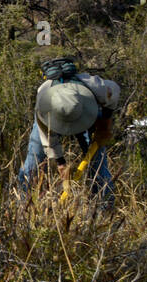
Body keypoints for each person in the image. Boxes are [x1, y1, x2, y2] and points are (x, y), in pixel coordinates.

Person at [16, 56, 120, 202]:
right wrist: (61, 164)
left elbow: (114, 92)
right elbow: (49, 140)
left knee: (98, 162)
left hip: (86, 111)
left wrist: (105, 125)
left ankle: (104, 204)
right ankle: (23, 203)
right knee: (34, 160)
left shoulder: (97, 87)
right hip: (52, 114)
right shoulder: (43, 104)